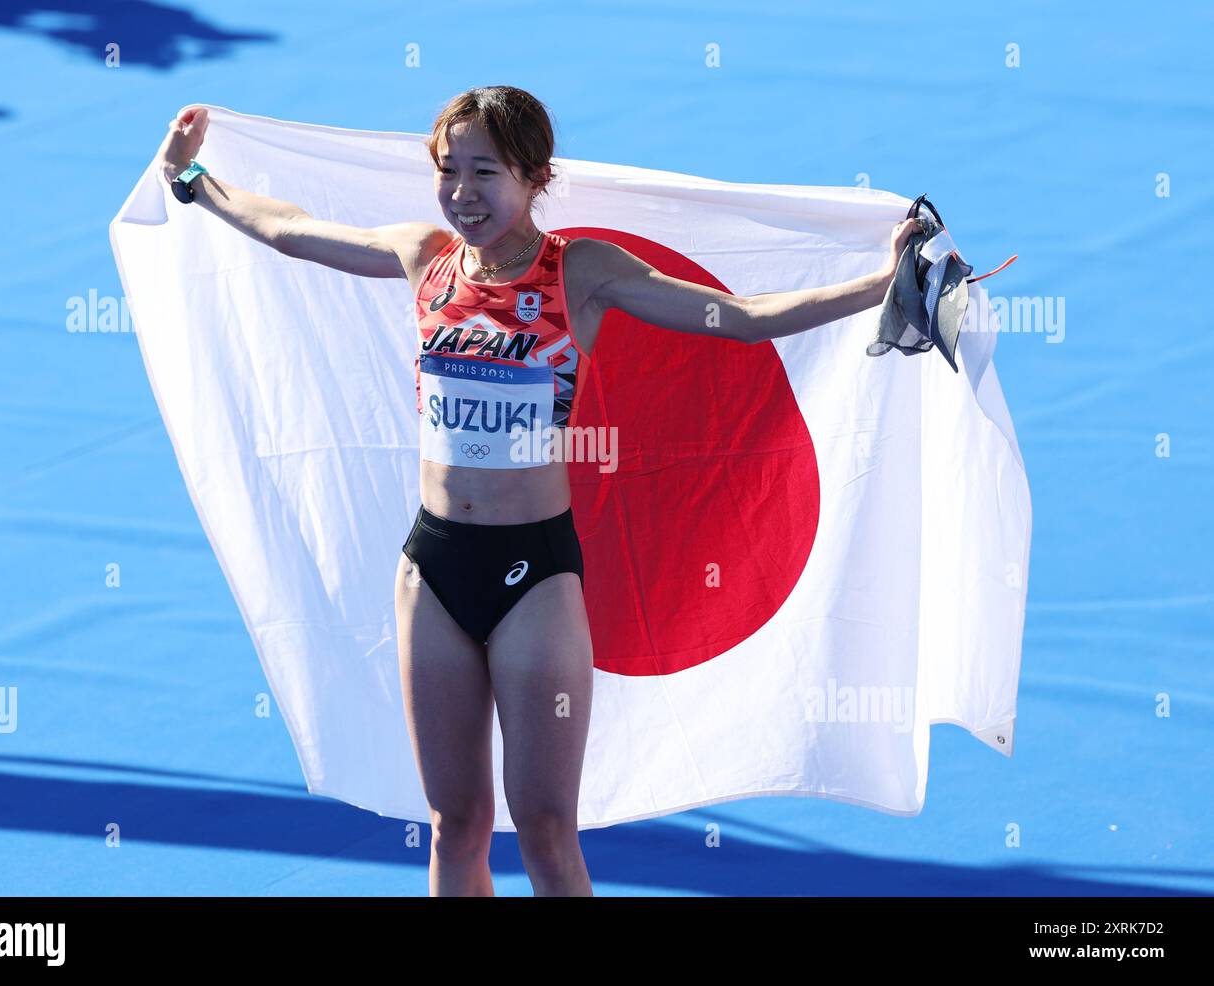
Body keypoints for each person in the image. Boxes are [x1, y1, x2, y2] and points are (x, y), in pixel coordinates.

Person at [154, 86, 919, 897]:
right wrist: (192, 180)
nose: (462, 193)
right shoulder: (425, 257)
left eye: (486, 172)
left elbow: (740, 317)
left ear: (536, 176)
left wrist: (882, 285)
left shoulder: (580, 273)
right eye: (449, 171)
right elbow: (294, 231)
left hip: (534, 576)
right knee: (456, 826)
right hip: (434, 566)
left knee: (547, 829)